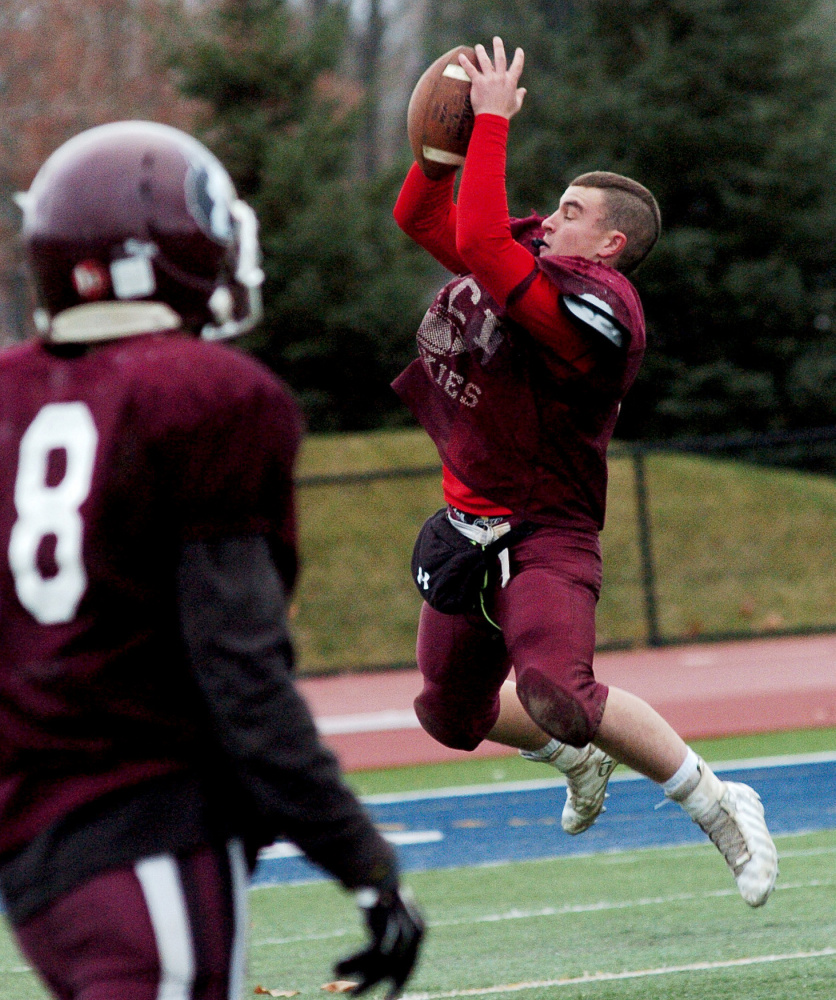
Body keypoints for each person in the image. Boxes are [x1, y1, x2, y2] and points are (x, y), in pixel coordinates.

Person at [0, 121, 423, 1000]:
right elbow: (240, 671)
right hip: (144, 827)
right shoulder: (208, 397)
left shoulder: (14, 392)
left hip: (39, 856)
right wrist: (363, 861)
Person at [393, 38, 778, 907]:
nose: (550, 217)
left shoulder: (603, 310)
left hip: (545, 530)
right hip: (466, 521)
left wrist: (491, 122)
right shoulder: (536, 249)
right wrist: (436, 156)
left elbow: (487, 245)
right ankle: (576, 755)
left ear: (608, 241)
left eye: (568, 210)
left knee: (558, 687)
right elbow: (426, 223)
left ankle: (719, 803)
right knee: (446, 716)